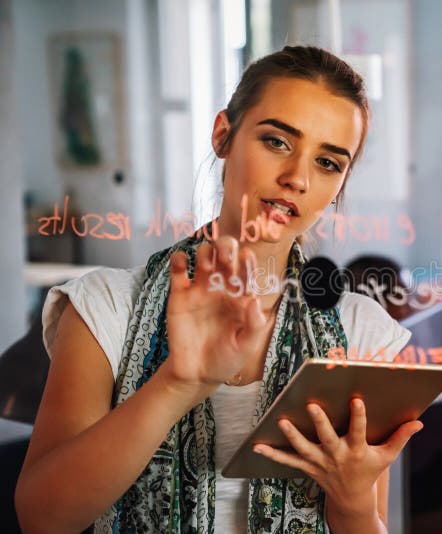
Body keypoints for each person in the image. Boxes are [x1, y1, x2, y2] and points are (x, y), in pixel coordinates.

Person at [15, 46, 421, 534]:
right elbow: (41, 519)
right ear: (223, 135)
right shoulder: (106, 306)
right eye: (276, 141)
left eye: (329, 163)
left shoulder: (363, 334)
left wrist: (354, 501)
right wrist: (177, 384)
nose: (296, 178)